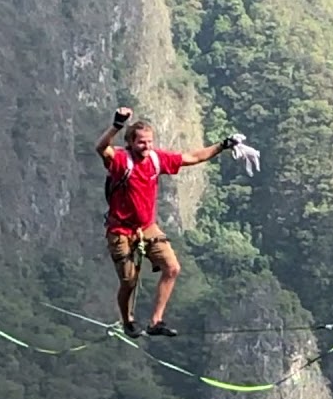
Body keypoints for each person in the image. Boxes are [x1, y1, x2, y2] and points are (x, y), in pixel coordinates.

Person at [95, 106, 240, 338]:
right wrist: (117, 125)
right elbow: (101, 148)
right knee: (129, 281)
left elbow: (193, 157)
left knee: (172, 268)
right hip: (121, 231)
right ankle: (127, 320)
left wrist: (223, 145)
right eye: (141, 142)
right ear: (130, 143)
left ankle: (156, 321)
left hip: (147, 227)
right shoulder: (122, 161)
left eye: (149, 142)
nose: (147, 146)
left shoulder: (156, 159)